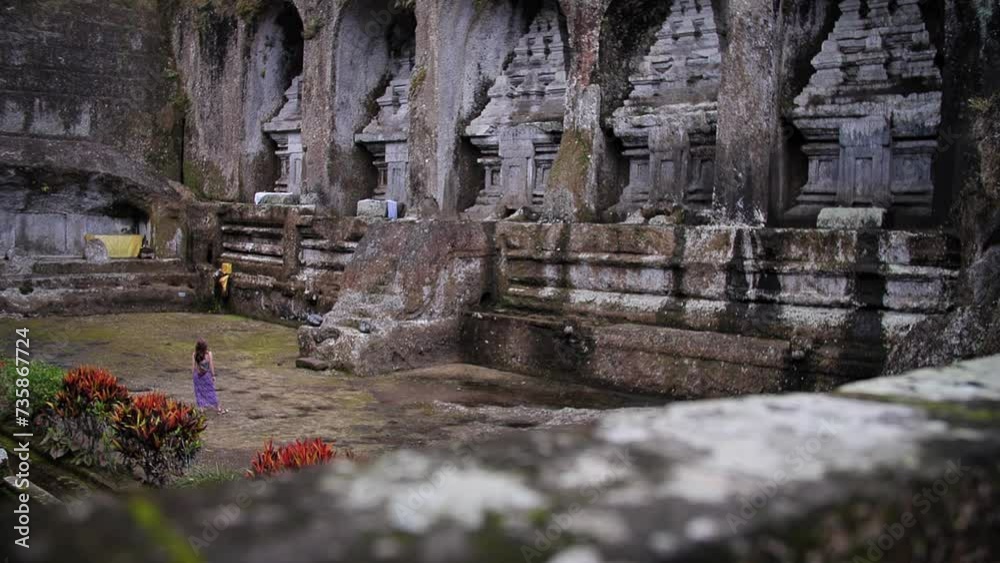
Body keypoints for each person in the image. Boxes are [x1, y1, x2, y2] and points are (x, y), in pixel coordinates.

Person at [192, 339, 227, 414]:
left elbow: (194, 367)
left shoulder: (194, 354)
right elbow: (211, 366)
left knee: (199, 392)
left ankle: (201, 409)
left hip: (197, 376)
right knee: (211, 391)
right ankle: (218, 408)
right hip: (206, 375)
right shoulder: (209, 354)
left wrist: (194, 376)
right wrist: (213, 375)